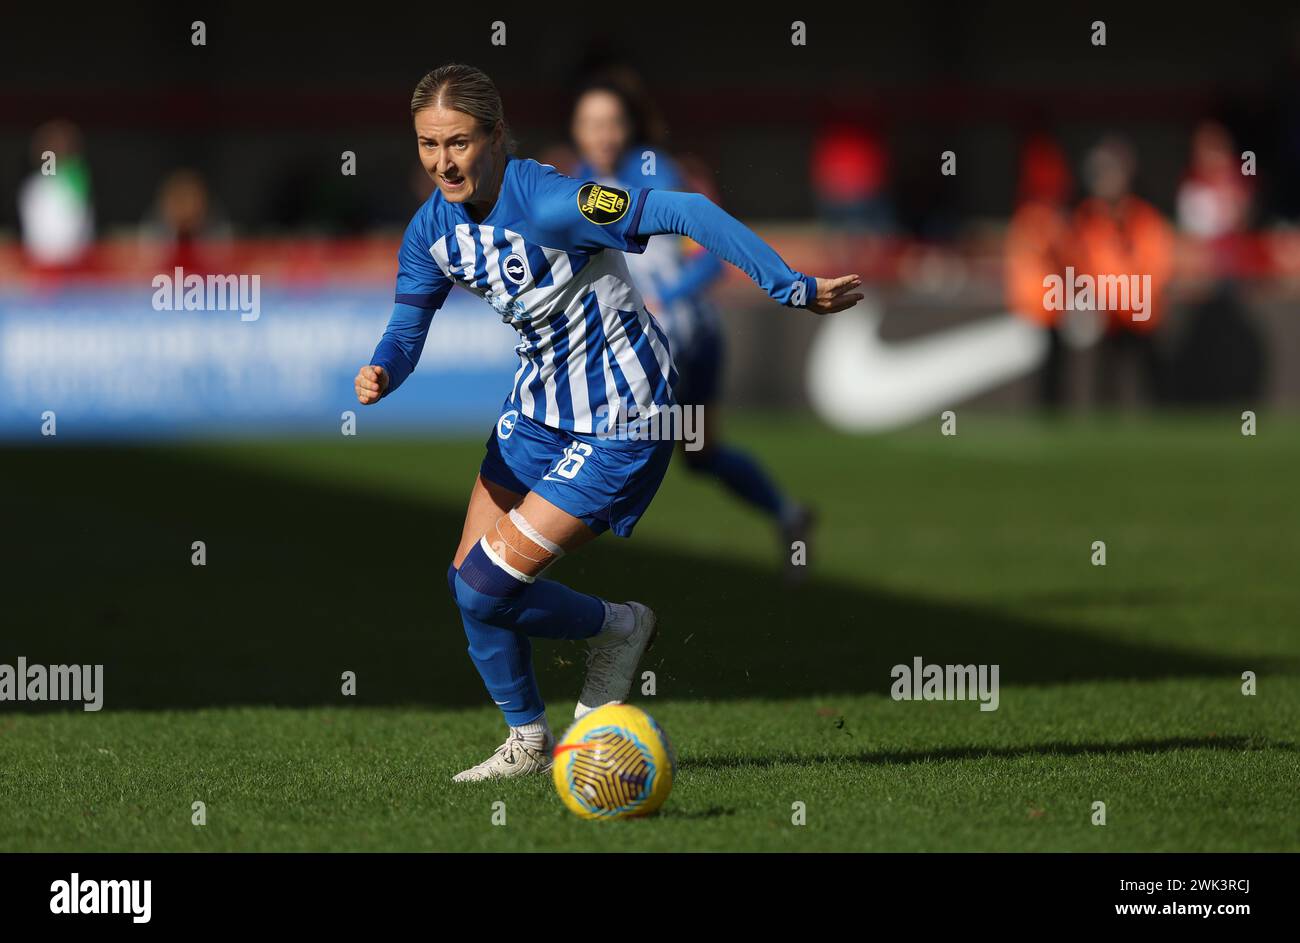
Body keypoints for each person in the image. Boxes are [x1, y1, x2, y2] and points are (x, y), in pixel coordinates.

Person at [354, 64, 861, 781]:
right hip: (536, 411)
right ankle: (528, 741)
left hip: (624, 416)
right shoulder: (432, 227)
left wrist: (791, 285)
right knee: (466, 585)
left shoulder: (560, 200)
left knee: (484, 585)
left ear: (497, 137)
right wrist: (384, 369)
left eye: (459, 142)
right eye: (428, 144)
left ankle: (618, 627)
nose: (442, 161)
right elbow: (407, 326)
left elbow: (686, 211)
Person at [570, 75, 817, 579]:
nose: (604, 134)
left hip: (684, 334)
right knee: (700, 453)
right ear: (577, 130)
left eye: (613, 123)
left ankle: (546, 551)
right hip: (644, 337)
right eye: (593, 124)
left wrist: (668, 298)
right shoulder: (570, 183)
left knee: (614, 431)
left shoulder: (654, 170)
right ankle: (790, 515)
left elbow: (709, 260)